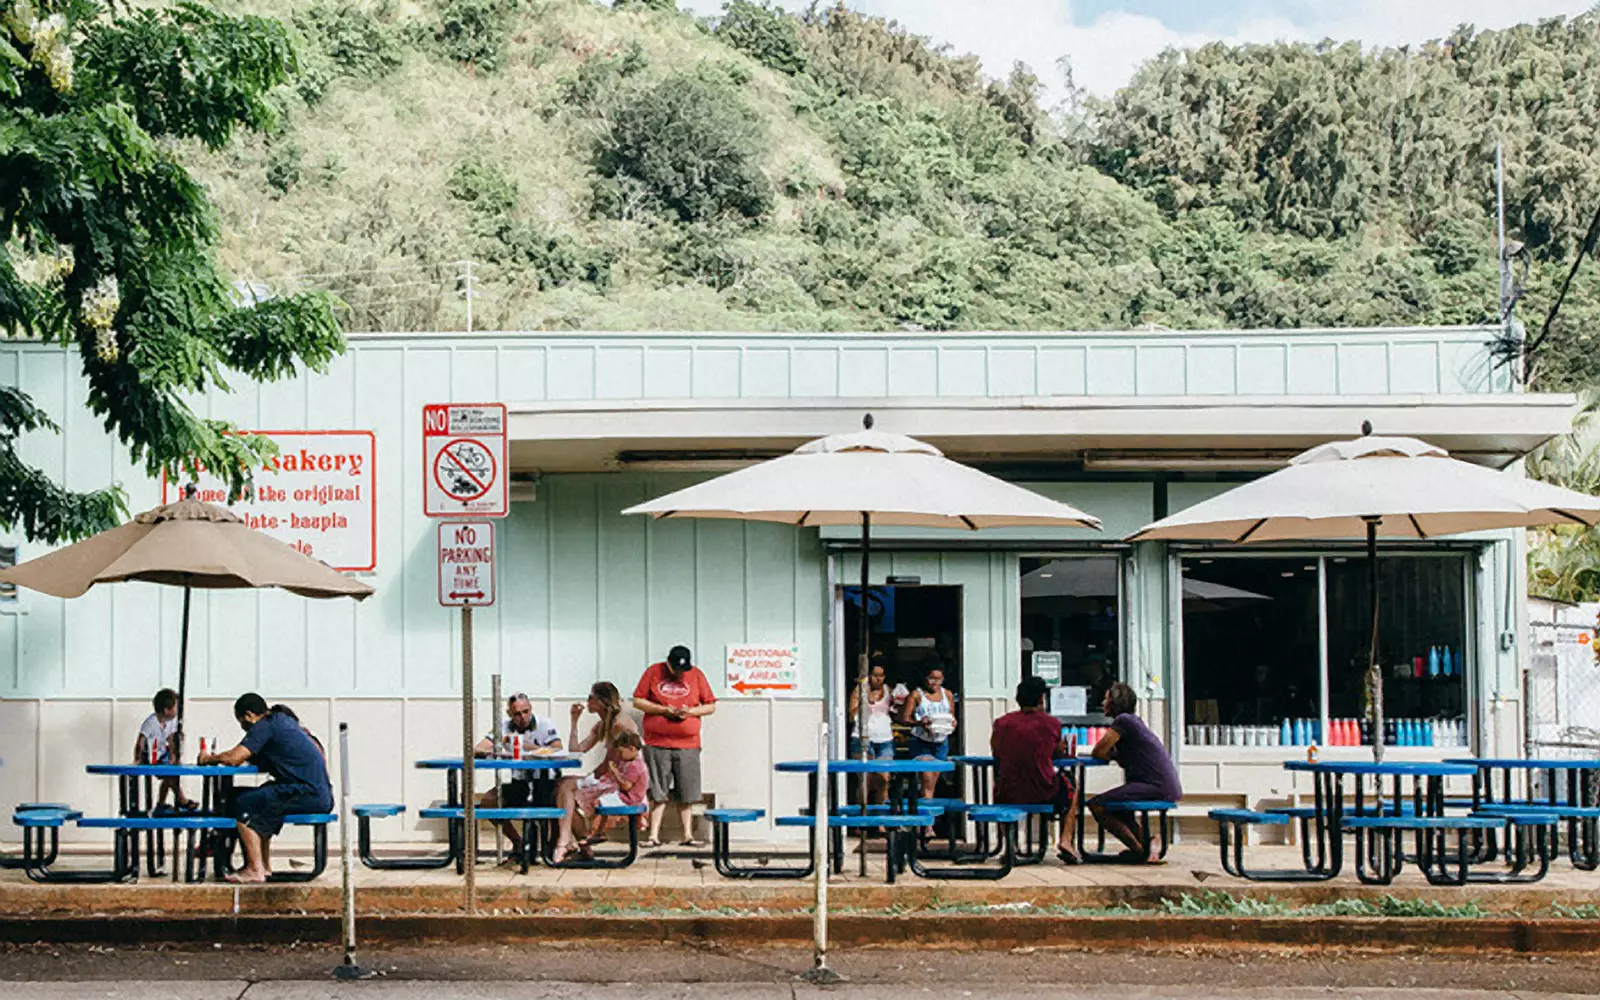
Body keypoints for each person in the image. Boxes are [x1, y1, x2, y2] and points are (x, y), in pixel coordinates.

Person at [199, 693, 333, 884]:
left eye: (242, 722)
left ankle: (255, 869)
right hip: (314, 792)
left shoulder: (265, 725)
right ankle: (263, 865)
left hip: (306, 793)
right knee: (245, 796)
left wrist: (207, 758)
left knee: (243, 803)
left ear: (250, 715)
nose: (244, 728)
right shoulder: (281, 721)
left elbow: (234, 758)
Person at [1088, 682, 1183, 864]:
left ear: (1115, 702)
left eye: (1106, 698)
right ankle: (1146, 845)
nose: (1102, 702)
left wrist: (1111, 755)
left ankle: (1139, 851)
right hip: (1163, 785)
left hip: (1155, 786)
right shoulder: (1134, 721)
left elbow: (1099, 751)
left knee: (1097, 805)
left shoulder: (1123, 721)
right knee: (1121, 811)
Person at [633, 644, 717, 849]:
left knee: (687, 791)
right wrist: (663, 710)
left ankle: (687, 835)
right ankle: (653, 836)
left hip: (688, 744)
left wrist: (689, 712)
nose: (679, 673)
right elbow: (638, 701)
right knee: (658, 791)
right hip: (657, 742)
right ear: (668, 663)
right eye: (675, 669)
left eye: (682, 670)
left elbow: (711, 705)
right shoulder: (654, 672)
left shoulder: (696, 675)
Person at [991, 676, 1079, 863]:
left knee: (997, 787)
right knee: (1071, 785)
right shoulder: (1051, 723)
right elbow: (1059, 752)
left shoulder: (1002, 723)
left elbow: (996, 752)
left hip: (1009, 792)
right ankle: (1066, 840)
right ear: (1041, 698)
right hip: (1043, 789)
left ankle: (1010, 845)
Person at [550, 681, 639, 862]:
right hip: (610, 777)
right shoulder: (603, 725)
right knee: (562, 787)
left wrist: (589, 778)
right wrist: (574, 720)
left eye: (591, 697)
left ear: (602, 701)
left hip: (623, 782)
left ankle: (566, 840)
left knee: (566, 788)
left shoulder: (620, 724)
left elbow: (616, 763)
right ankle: (579, 843)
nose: (587, 701)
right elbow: (576, 751)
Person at [473, 693, 562, 857]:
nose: (523, 717)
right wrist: (497, 749)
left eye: (526, 711)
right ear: (510, 714)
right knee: (488, 803)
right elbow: (477, 749)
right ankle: (517, 841)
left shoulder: (544, 724)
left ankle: (554, 846)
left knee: (555, 804)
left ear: (531, 709)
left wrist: (528, 747)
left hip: (545, 780)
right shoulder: (504, 727)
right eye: (517, 714)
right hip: (519, 781)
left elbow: (557, 748)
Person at [562, 731, 649, 861]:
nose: (619, 756)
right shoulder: (628, 762)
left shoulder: (636, 766)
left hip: (629, 798)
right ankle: (598, 831)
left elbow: (626, 786)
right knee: (599, 799)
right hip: (624, 795)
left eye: (621, 752)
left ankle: (596, 831)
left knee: (598, 802)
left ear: (632, 749)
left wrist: (615, 773)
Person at [900, 663, 956, 799]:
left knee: (934, 780)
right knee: (926, 778)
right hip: (922, 741)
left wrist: (952, 723)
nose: (935, 683)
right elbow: (904, 718)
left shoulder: (947, 695)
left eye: (939, 679)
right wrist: (919, 723)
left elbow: (951, 715)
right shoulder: (916, 695)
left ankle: (928, 808)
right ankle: (926, 812)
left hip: (940, 741)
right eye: (931, 679)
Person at [134, 688, 195, 811]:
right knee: (169, 774)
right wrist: (137, 758)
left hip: (163, 755)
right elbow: (140, 742)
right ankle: (182, 800)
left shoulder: (171, 722)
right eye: (176, 708)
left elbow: (171, 739)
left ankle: (161, 803)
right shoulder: (150, 723)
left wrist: (173, 756)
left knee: (170, 775)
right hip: (153, 756)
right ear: (166, 710)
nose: (178, 711)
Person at [847, 662, 895, 809]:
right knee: (864, 779)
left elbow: (896, 711)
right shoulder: (858, 691)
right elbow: (851, 716)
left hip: (884, 739)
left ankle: (881, 818)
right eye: (874, 675)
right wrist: (862, 700)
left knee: (883, 779)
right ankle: (862, 815)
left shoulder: (889, 691)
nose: (878, 679)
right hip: (861, 737)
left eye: (881, 676)